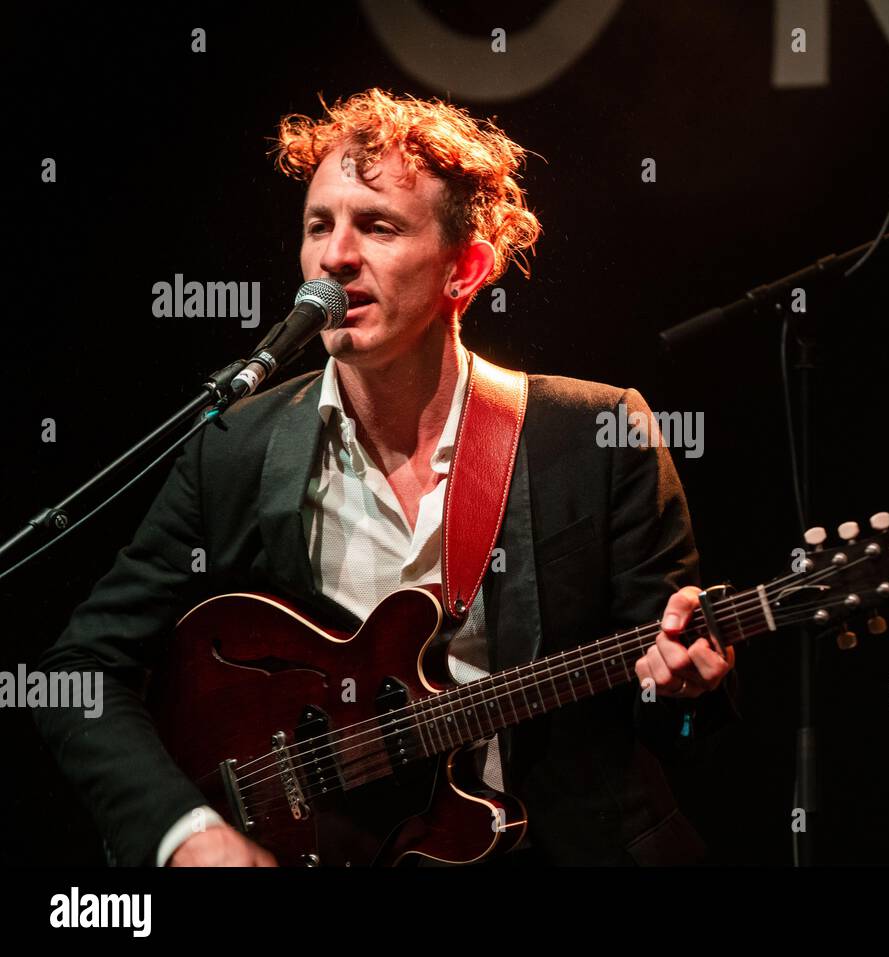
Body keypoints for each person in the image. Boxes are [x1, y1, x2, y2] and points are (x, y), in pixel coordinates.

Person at [34, 88, 738, 867]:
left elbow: (676, 713)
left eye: (377, 226)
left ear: (465, 270)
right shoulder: (236, 447)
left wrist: (682, 685)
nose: (335, 255)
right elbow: (80, 671)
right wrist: (187, 832)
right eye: (318, 226)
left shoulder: (596, 434)